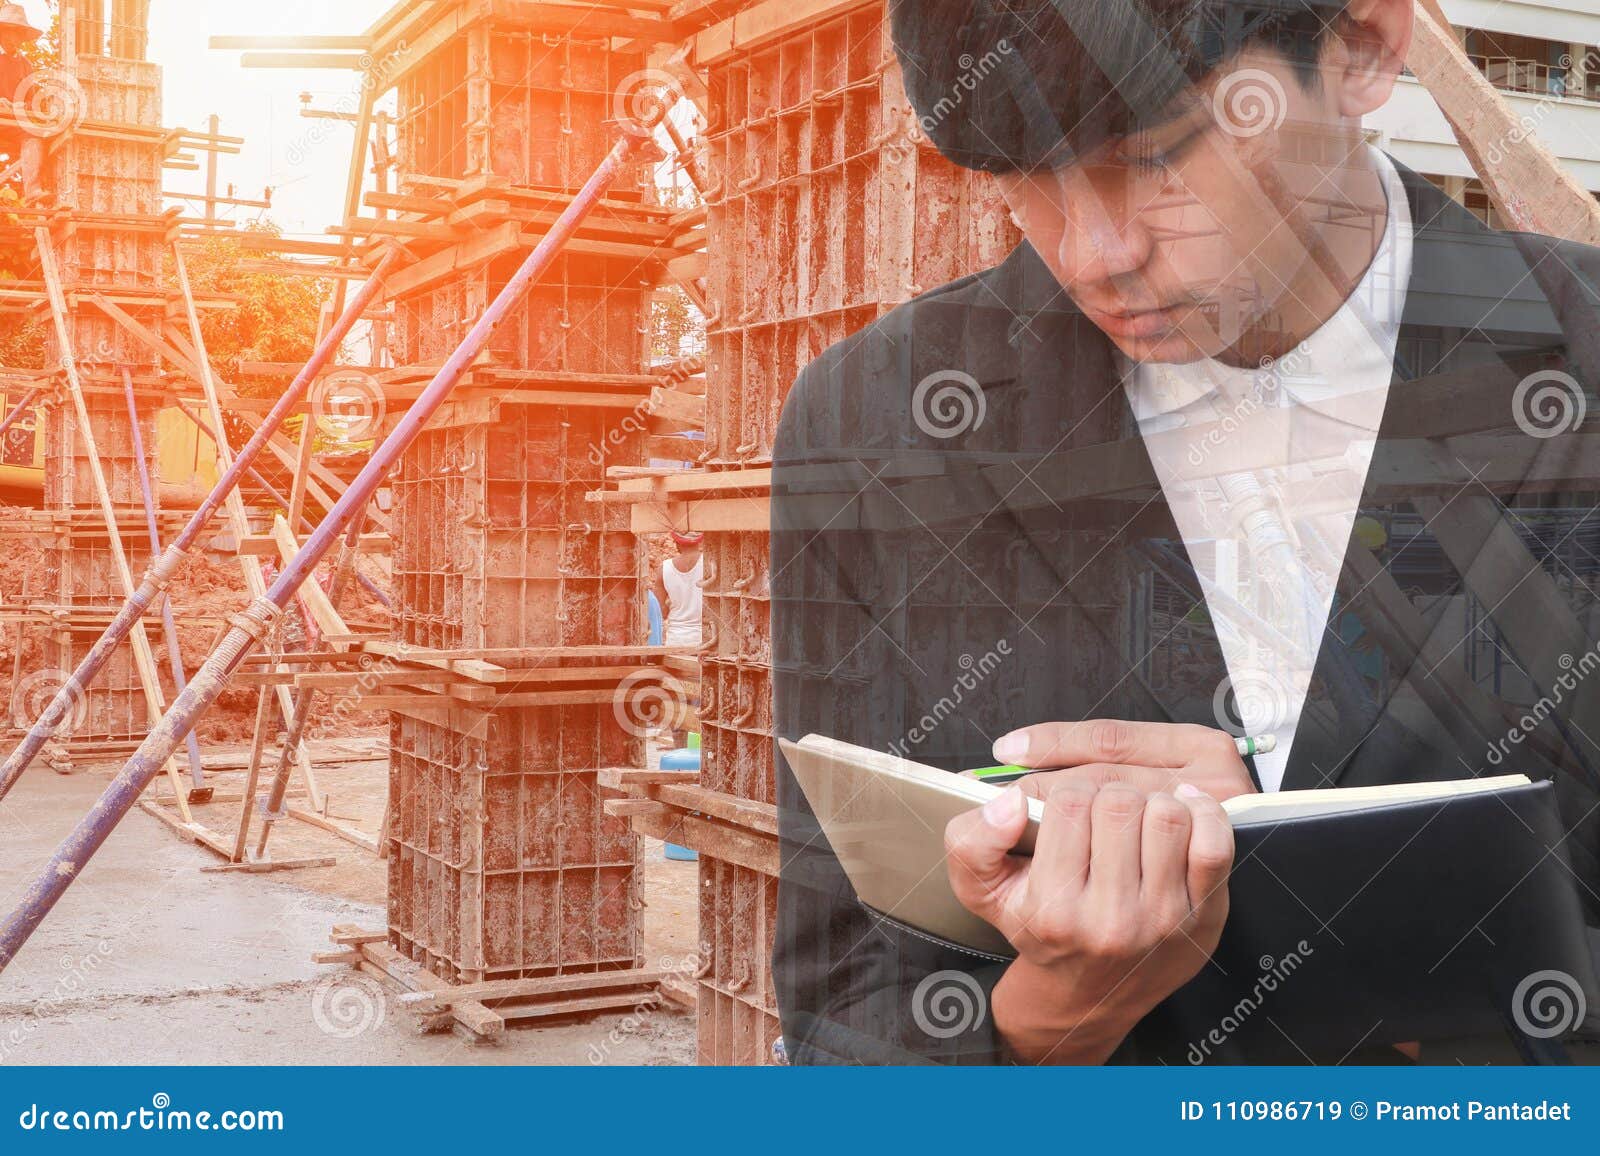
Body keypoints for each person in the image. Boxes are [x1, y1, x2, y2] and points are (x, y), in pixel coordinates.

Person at [772, 0, 1600, 1065]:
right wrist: (1050, 1015)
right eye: (1021, 179)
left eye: (1159, 154)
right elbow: (844, 994)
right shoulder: (878, 424)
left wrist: (1293, 872)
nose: (1094, 252)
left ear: (1362, 45)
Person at [0, 4, 43, 200]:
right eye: (7, 33)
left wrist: (23, 106)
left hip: (14, 123)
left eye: (16, 34)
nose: (11, 39)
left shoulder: (26, 66)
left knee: (34, 134)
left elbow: (32, 101)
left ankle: (32, 191)